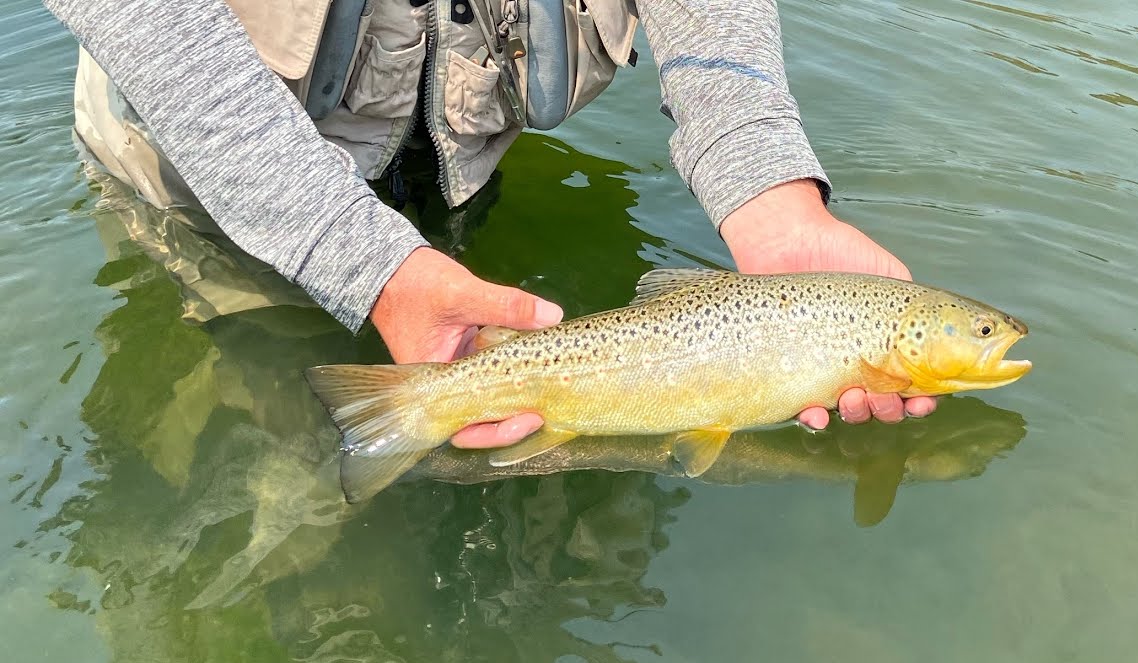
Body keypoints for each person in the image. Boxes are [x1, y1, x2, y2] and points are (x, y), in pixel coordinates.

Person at [43, 0, 938, 451]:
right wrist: (369, 266)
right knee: (264, 475)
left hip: (463, 139)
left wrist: (766, 189)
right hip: (208, 171)